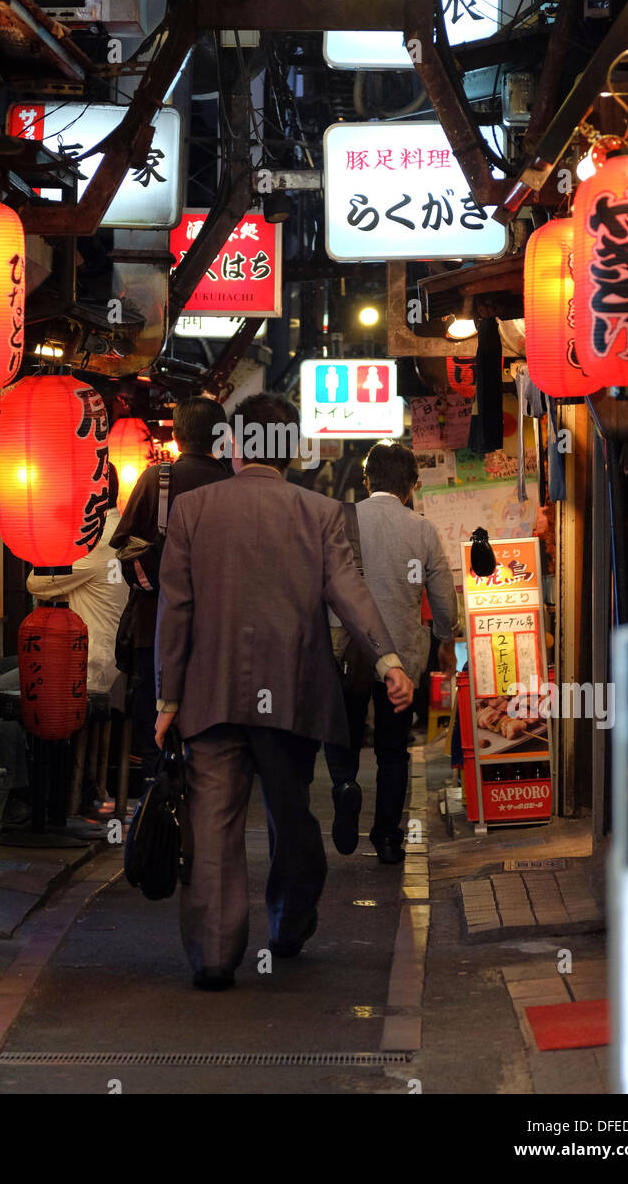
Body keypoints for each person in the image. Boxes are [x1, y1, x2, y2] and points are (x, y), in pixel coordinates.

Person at [154, 392, 413, 990]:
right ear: (291, 449)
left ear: (233, 445)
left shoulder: (191, 511)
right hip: (292, 695)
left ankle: (215, 957)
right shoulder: (320, 513)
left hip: (209, 698)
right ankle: (289, 924)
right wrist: (389, 660)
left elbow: (177, 612)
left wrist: (167, 701)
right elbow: (351, 594)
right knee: (290, 815)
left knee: (214, 824)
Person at [325, 441, 458, 863]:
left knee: (341, 734)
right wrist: (445, 641)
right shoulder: (421, 529)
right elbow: (442, 598)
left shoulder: (339, 520)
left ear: (367, 481)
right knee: (393, 749)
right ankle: (387, 837)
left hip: (346, 651)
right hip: (401, 656)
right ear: (413, 485)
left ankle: (345, 784)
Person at [110, 396, 228, 777]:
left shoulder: (157, 480)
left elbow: (125, 546)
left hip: (156, 630)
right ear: (221, 437)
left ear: (176, 436)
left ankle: (156, 820)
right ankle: (203, 814)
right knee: (211, 747)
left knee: (154, 743)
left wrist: (157, 587)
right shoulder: (233, 486)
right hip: (218, 637)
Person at [26, 462, 128, 813]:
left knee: (4, 685)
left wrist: (52, 532)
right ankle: (80, 789)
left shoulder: (94, 542)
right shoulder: (120, 530)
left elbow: (37, 583)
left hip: (85, 665)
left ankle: (38, 800)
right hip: (113, 660)